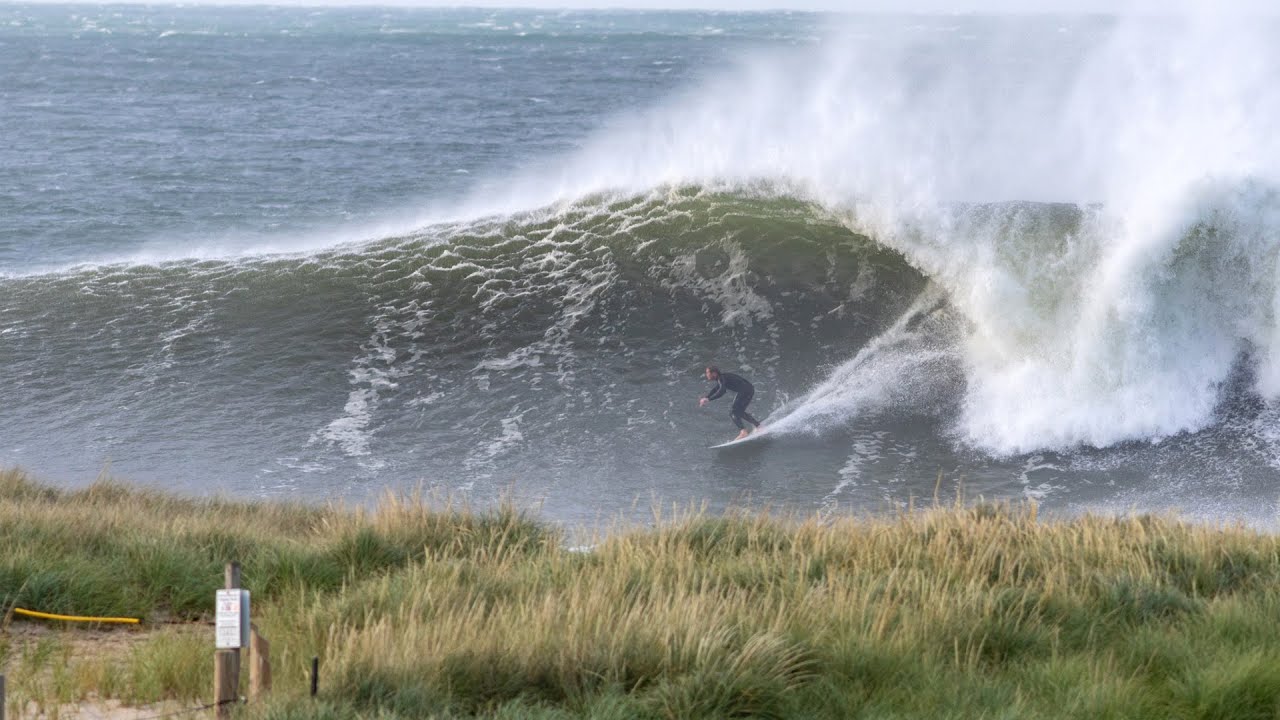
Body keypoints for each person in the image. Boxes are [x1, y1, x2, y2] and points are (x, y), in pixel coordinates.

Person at [699, 365, 761, 440]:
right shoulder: (722, 378)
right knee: (739, 412)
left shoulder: (722, 378)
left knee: (733, 412)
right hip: (748, 389)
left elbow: (722, 391)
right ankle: (758, 426)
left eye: (707, 372)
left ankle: (743, 432)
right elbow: (716, 389)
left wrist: (709, 399)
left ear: (714, 373)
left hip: (745, 390)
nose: (706, 375)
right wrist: (707, 397)